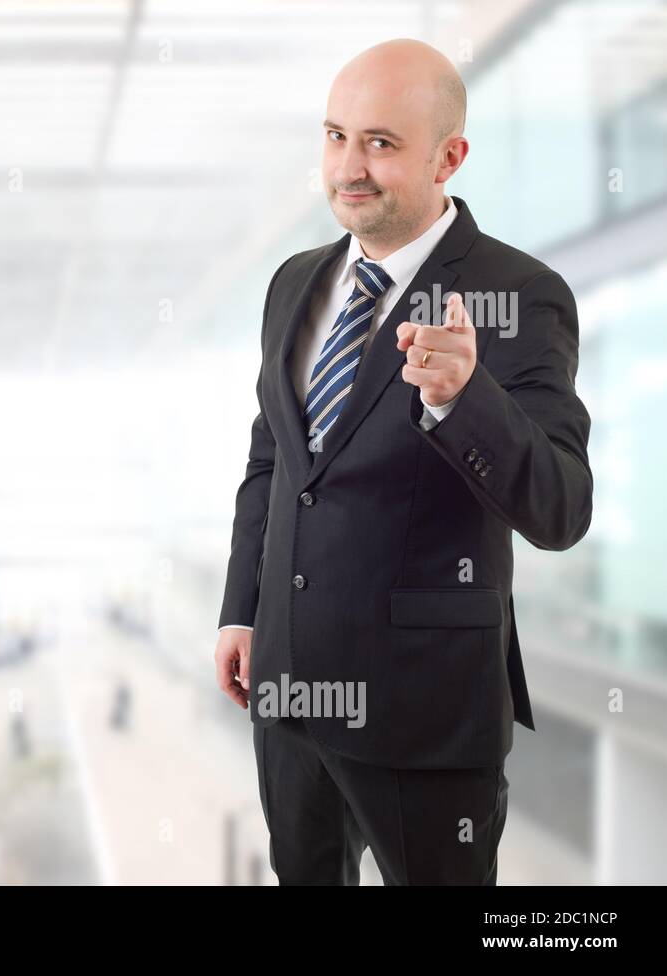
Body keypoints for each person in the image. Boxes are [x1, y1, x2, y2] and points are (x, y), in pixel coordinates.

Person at [212, 38, 593, 885]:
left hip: (423, 714)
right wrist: (241, 610)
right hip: (288, 698)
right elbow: (273, 459)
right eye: (335, 135)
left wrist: (465, 399)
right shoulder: (294, 283)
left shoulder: (519, 296)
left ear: (448, 157)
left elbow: (563, 509)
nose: (349, 166)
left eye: (381, 143)